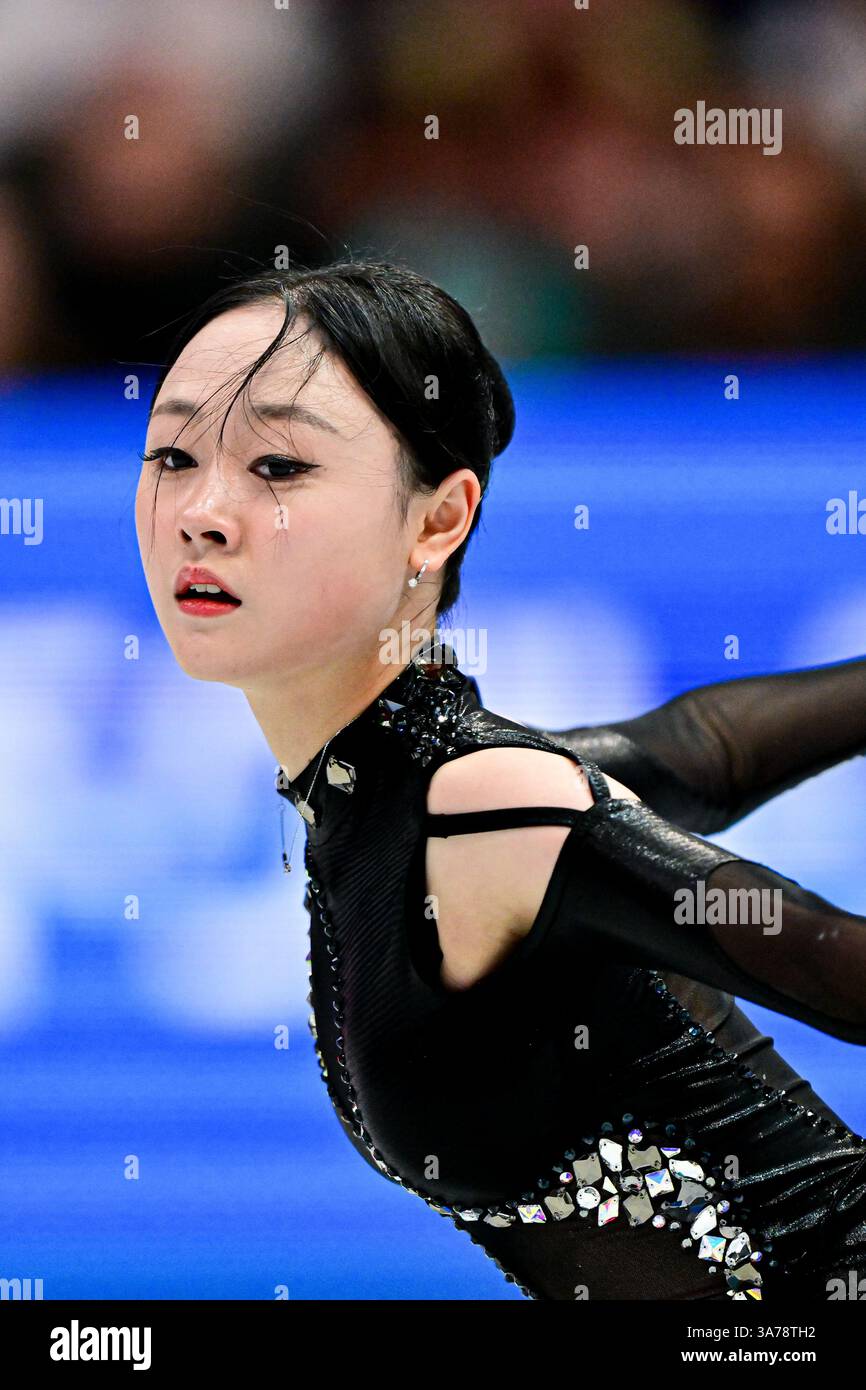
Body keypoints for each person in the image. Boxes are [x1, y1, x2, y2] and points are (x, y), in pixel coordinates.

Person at [135, 258, 866, 1301]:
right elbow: (698, 745)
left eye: (278, 467)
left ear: (436, 521)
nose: (202, 511)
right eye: (172, 452)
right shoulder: (408, 795)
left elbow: (833, 963)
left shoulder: (483, 806)